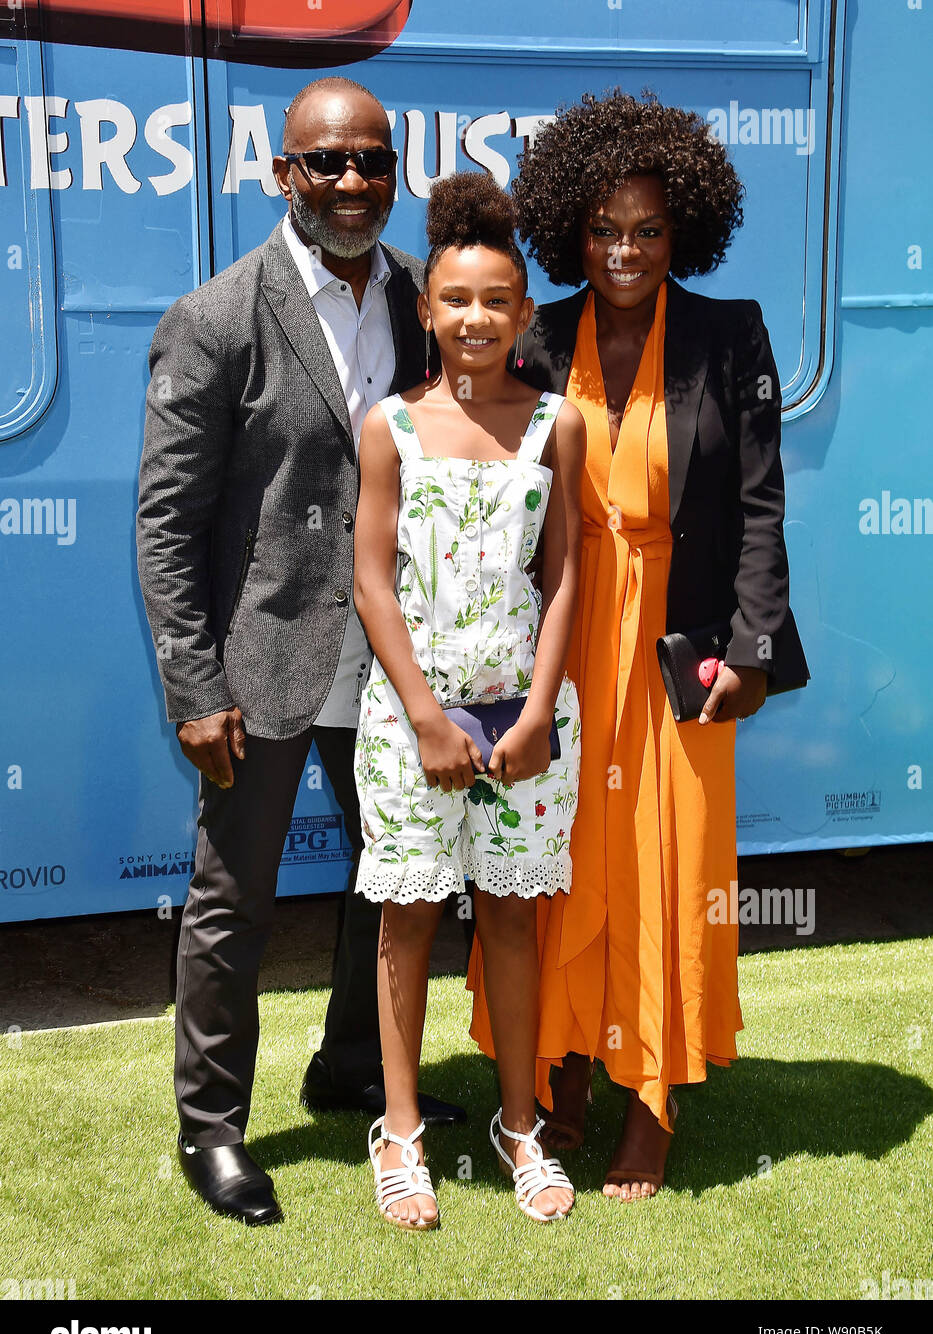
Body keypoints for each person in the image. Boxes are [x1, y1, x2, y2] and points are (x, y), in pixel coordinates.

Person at [467, 90, 809, 1200]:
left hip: (682, 647)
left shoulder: (728, 333)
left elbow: (760, 504)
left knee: (672, 864)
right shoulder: (537, 336)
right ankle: (563, 1070)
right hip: (558, 637)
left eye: (649, 228)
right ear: (573, 227)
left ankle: (651, 1095)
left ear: (685, 231)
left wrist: (752, 650)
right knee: (561, 862)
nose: (624, 248)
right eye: (605, 227)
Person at [136, 76, 463, 1228]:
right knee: (234, 903)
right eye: (327, 163)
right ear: (284, 175)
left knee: (397, 879)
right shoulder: (218, 317)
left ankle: (351, 1069)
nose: (354, 182)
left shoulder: (428, 299)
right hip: (262, 662)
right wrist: (195, 683)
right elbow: (168, 520)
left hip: (391, 661)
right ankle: (212, 1130)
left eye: (373, 161)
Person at [352, 171, 586, 1229]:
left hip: (524, 723)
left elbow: (568, 570)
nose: (476, 318)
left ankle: (518, 1126)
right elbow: (369, 578)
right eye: (456, 299)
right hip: (416, 723)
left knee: (512, 921)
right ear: (425, 308)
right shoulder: (387, 427)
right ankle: (400, 1132)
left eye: (497, 300)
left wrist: (536, 711)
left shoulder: (557, 425)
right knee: (405, 921)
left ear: (525, 312)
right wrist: (427, 715)